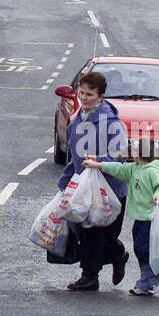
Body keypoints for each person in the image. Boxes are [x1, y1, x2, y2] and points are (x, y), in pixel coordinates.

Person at [56, 71, 129, 292]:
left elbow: (121, 154)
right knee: (86, 232)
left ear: (101, 96)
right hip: (84, 187)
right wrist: (65, 181)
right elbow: (76, 157)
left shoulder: (112, 123)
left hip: (110, 189)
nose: (84, 97)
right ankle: (93, 273)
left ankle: (109, 262)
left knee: (102, 234)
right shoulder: (76, 121)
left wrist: (99, 162)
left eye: (89, 94)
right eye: (82, 93)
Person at [84, 139, 159, 297]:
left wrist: (158, 195)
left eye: (136, 152)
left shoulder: (153, 170)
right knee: (141, 249)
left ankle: (153, 278)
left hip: (151, 219)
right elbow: (118, 168)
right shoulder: (135, 168)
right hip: (140, 217)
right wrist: (98, 164)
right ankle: (150, 280)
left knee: (144, 249)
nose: (133, 154)